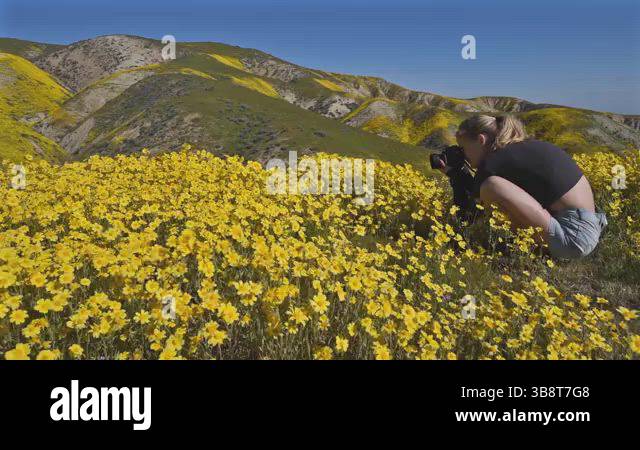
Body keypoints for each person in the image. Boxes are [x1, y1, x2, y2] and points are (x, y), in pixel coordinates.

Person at [437, 114, 607, 259]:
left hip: (573, 239)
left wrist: (456, 177)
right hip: (588, 227)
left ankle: (533, 249)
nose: (464, 156)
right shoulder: (519, 151)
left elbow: (470, 214)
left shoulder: (494, 161)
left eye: (463, 148)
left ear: (481, 140)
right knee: (489, 187)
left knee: (491, 186)